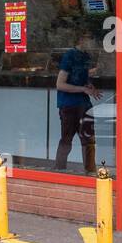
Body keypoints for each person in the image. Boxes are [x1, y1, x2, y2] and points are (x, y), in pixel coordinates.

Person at [53, 28, 99, 172]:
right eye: (89, 38)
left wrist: (90, 87)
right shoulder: (69, 56)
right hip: (69, 105)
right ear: (81, 40)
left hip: (84, 104)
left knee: (89, 139)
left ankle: (90, 171)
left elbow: (82, 79)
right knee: (67, 139)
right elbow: (60, 84)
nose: (92, 42)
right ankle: (60, 170)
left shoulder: (85, 56)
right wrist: (83, 89)